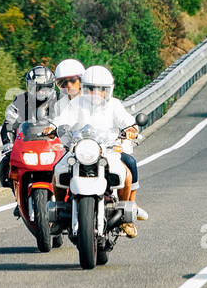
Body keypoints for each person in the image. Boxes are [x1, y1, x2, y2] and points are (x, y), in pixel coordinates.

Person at [56, 65, 147, 238]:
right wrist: (54, 127)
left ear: (108, 90)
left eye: (101, 89)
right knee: (57, 170)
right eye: (91, 89)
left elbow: (127, 121)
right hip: (80, 149)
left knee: (128, 171)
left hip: (109, 150)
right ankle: (59, 213)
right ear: (85, 88)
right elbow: (63, 119)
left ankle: (127, 214)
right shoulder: (76, 104)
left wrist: (132, 129)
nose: (96, 93)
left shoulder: (114, 105)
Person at [0, 65, 58, 188]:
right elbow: (9, 122)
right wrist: (8, 143)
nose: (41, 91)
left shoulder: (60, 101)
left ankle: (70, 202)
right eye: (36, 88)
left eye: (45, 87)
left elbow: (70, 122)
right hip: (28, 146)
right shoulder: (20, 100)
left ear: (52, 86)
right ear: (29, 86)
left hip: (54, 147)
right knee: (7, 165)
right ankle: (18, 196)